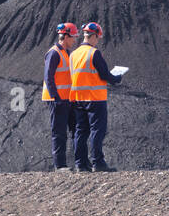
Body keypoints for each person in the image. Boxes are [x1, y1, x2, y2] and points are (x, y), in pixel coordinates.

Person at [68, 21, 123, 172]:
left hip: (78, 98)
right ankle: (97, 162)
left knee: (80, 131)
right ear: (93, 36)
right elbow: (105, 74)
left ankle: (80, 164)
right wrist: (117, 78)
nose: (98, 41)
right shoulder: (94, 53)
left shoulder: (73, 54)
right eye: (98, 38)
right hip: (95, 99)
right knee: (97, 130)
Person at [41, 22, 79, 170]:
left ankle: (80, 163)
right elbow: (48, 77)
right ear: (65, 36)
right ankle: (60, 166)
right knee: (59, 132)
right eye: (73, 37)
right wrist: (55, 97)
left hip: (68, 99)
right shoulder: (54, 53)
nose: (75, 40)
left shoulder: (66, 53)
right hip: (57, 100)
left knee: (76, 130)